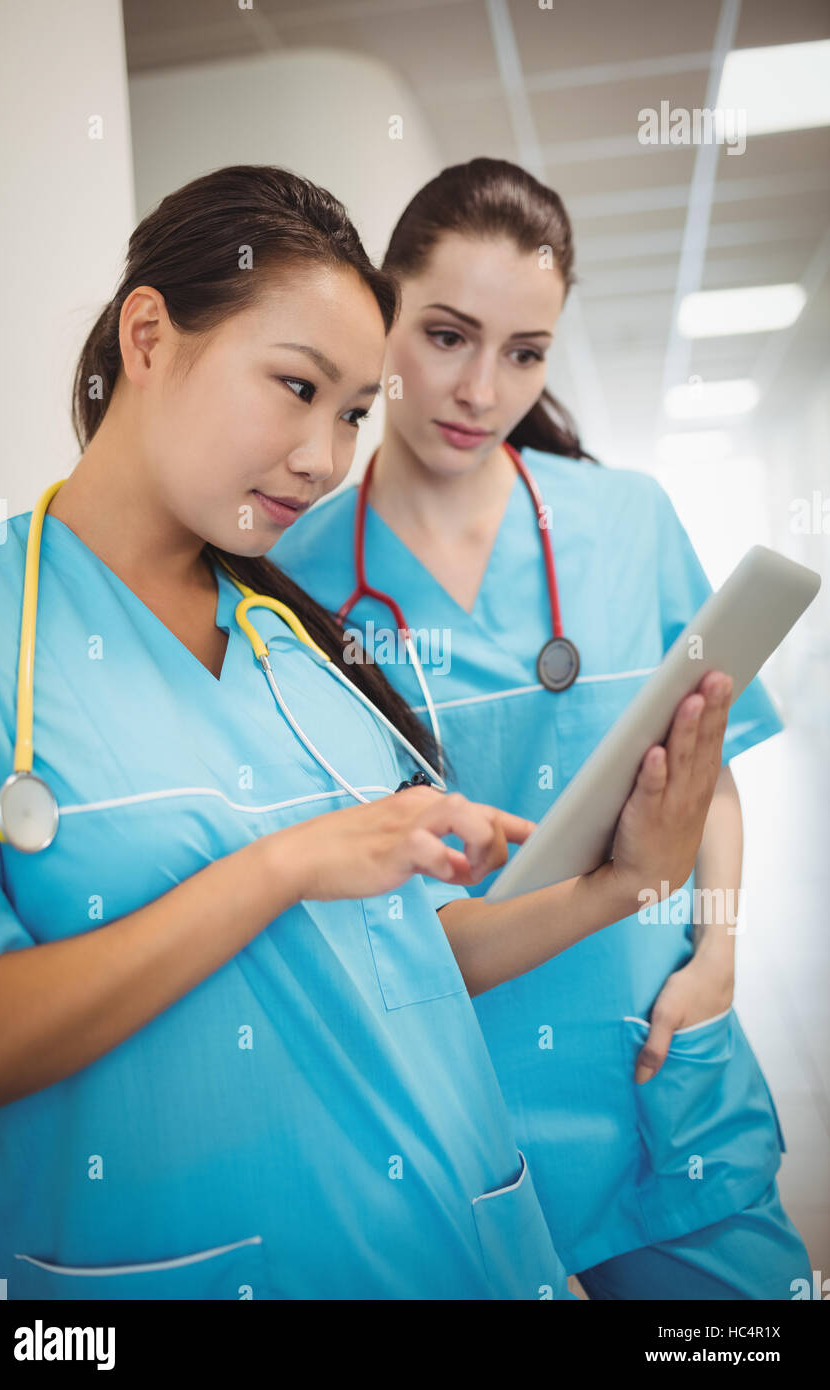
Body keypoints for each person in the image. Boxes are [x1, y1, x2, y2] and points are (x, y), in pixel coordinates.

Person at [0, 164, 730, 1301]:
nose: (325, 459)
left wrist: (626, 885)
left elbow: (418, 951)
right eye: (294, 386)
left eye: (354, 413)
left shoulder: (303, 643)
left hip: (472, 1250)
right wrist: (282, 868)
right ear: (147, 334)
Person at [271, 158, 811, 1300]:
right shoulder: (289, 580)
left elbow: (703, 774)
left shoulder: (626, 520)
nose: (479, 389)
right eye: (446, 336)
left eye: (523, 353)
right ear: (382, 321)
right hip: (447, 1089)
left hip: (654, 1060)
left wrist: (714, 955)